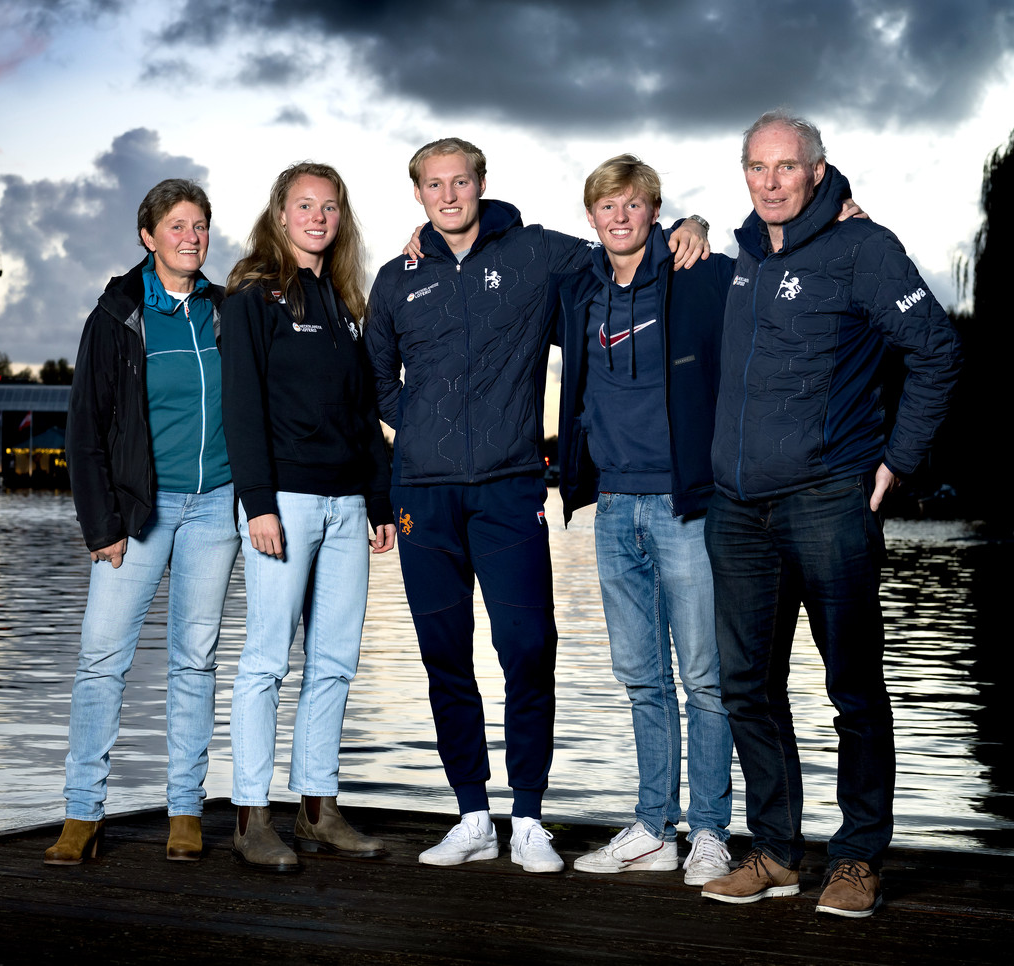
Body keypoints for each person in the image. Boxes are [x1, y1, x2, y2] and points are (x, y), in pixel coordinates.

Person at [365, 137, 708, 874]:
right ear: (418, 194)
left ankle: (526, 816)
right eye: (435, 185)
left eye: (461, 182)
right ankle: (470, 815)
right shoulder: (397, 280)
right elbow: (376, 378)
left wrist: (692, 224)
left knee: (527, 649)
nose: (449, 195)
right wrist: (419, 426)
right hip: (423, 495)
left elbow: (625, 249)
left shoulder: (536, 254)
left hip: (511, 485)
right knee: (442, 657)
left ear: (482, 184)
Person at [701, 110, 962, 917]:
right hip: (737, 509)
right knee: (748, 685)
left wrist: (897, 462)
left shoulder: (863, 248)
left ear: (818, 171)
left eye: (787, 167)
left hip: (827, 499)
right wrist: (685, 226)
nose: (771, 181)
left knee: (852, 685)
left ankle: (856, 860)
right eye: (757, 166)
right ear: (744, 171)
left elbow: (937, 349)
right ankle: (776, 850)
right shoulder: (743, 253)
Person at [551, 155, 735, 885]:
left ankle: (712, 831)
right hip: (613, 503)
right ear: (591, 216)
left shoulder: (696, 275)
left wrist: (702, 226)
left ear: (654, 211)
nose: (619, 217)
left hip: (683, 503)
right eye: (605, 206)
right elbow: (503, 229)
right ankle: (654, 828)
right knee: (640, 676)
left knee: (704, 677)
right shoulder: (581, 286)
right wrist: (420, 233)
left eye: (632, 205)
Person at [47, 179, 239, 865]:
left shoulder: (224, 313)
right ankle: (81, 813)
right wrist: (102, 527)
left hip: (217, 506)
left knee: (195, 660)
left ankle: (185, 809)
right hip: (138, 513)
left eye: (201, 226)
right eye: (178, 225)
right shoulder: (117, 316)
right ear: (148, 236)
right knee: (102, 659)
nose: (191, 237)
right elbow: (85, 431)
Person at [221, 161, 395, 873]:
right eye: (304, 205)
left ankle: (318, 809)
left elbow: (363, 416)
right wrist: (258, 504)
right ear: (280, 213)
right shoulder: (252, 297)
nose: (318, 217)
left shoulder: (346, 303)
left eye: (329, 206)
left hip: (348, 505)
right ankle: (251, 817)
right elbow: (242, 408)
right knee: (266, 660)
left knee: (334, 663)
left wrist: (380, 503)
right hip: (283, 503)